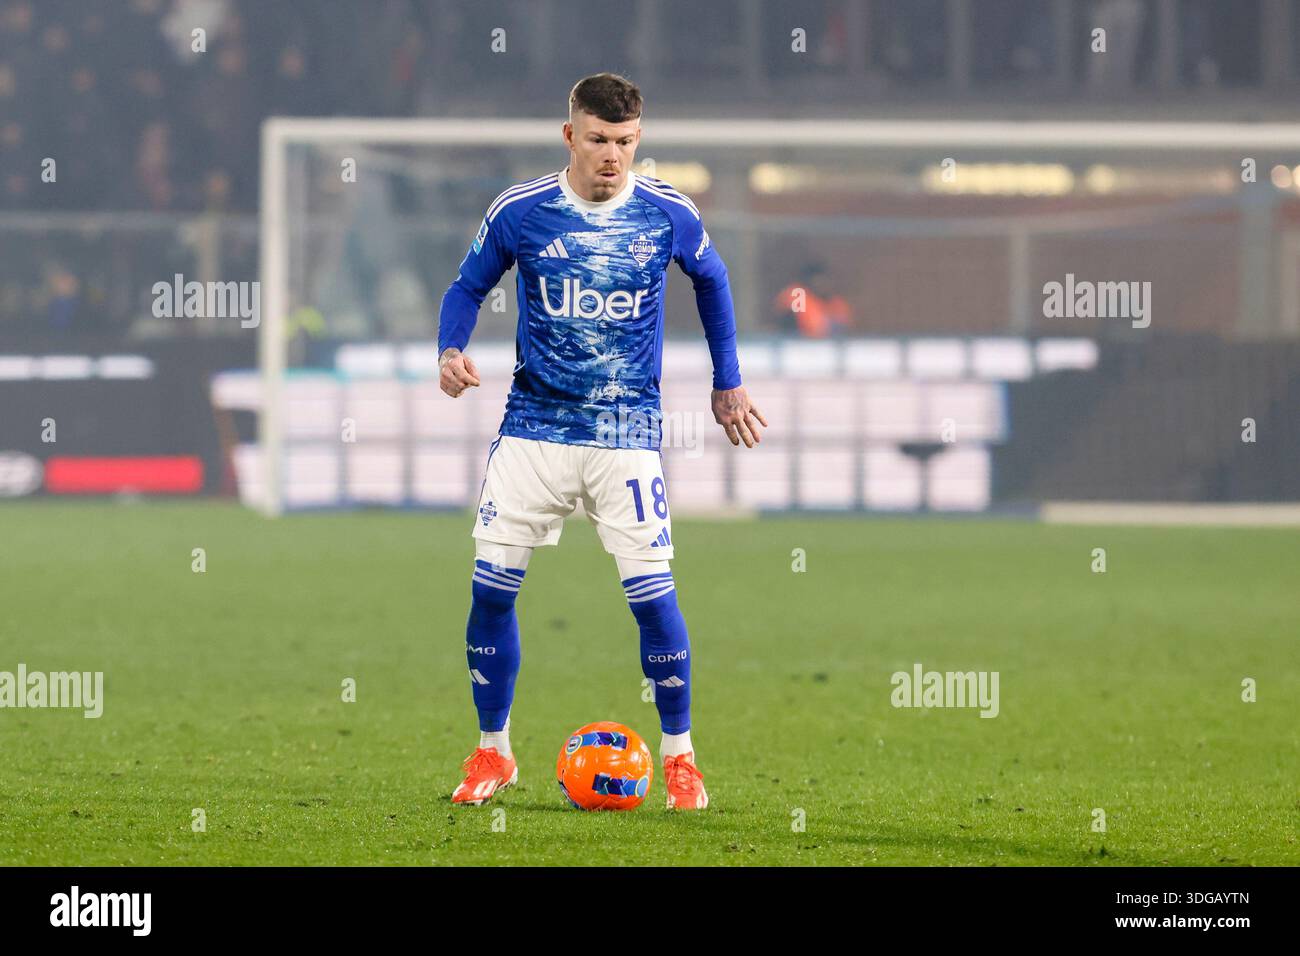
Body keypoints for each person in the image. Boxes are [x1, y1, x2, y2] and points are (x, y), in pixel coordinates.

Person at [437, 72, 766, 810]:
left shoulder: (666, 213)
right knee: (490, 591)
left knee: (653, 601)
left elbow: (712, 282)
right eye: (596, 140)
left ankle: (680, 759)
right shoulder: (522, 211)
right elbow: (465, 286)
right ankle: (494, 753)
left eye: (623, 141)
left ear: (638, 138)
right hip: (532, 429)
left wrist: (729, 381)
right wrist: (450, 350)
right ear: (570, 137)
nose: (610, 155)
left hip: (626, 436)